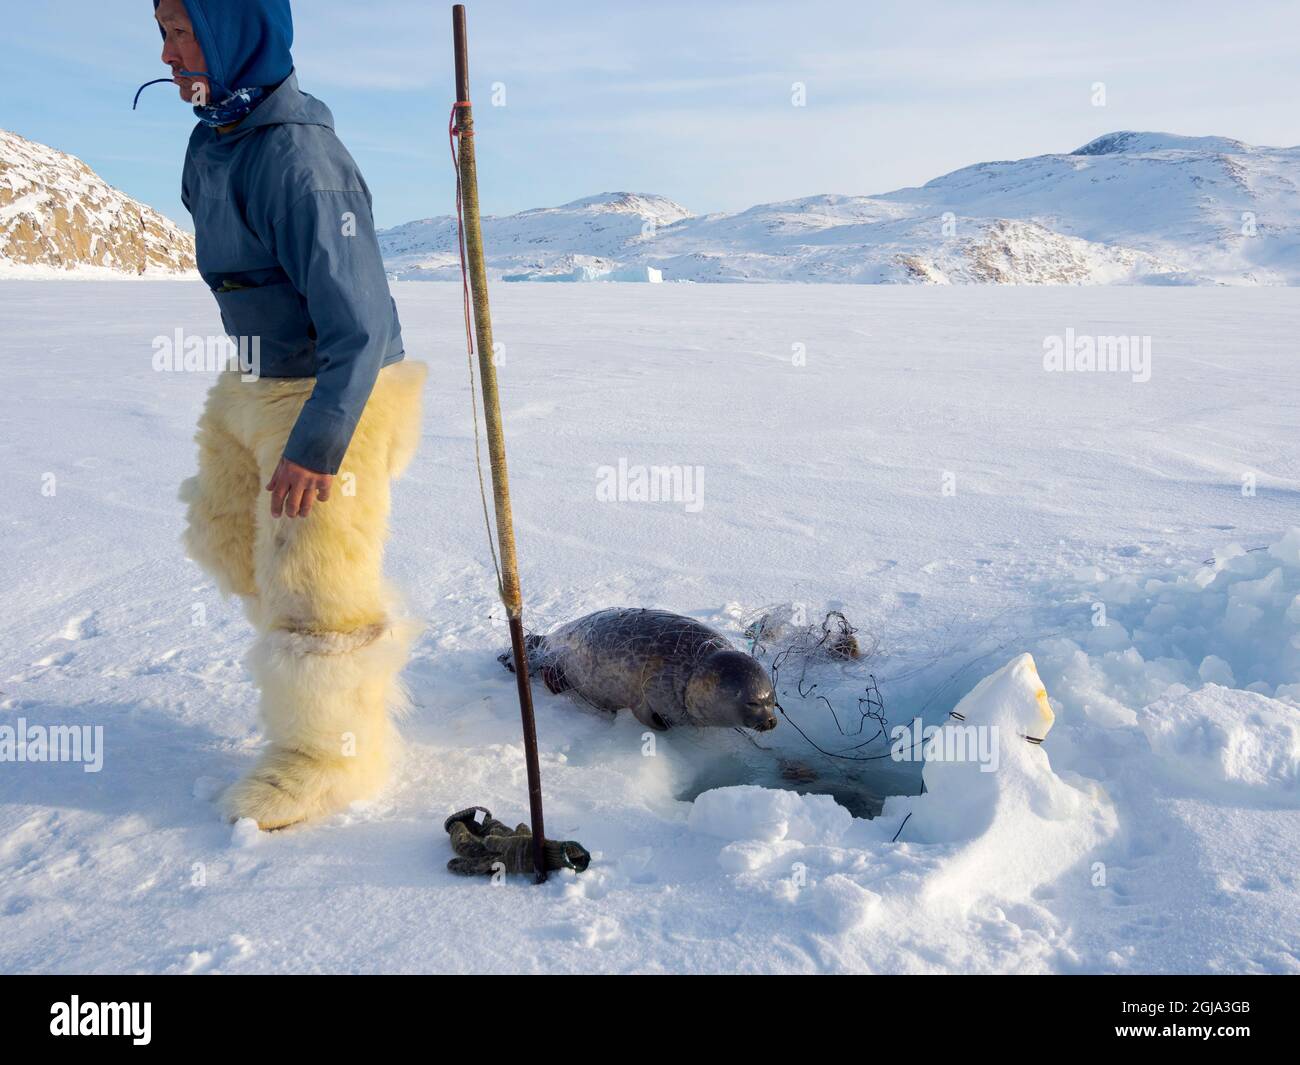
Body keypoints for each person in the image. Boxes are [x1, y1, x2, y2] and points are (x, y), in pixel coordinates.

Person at [146, 0, 427, 829]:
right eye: (161, 32)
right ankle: (333, 698)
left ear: (233, 29)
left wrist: (320, 446)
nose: (168, 53)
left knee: (314, 584)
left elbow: (363, 326)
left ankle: (330, 758)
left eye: (182, 30)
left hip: (344, 386)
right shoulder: (217, 138)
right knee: (228, 532)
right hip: (261, 377)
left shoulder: (301, 159)